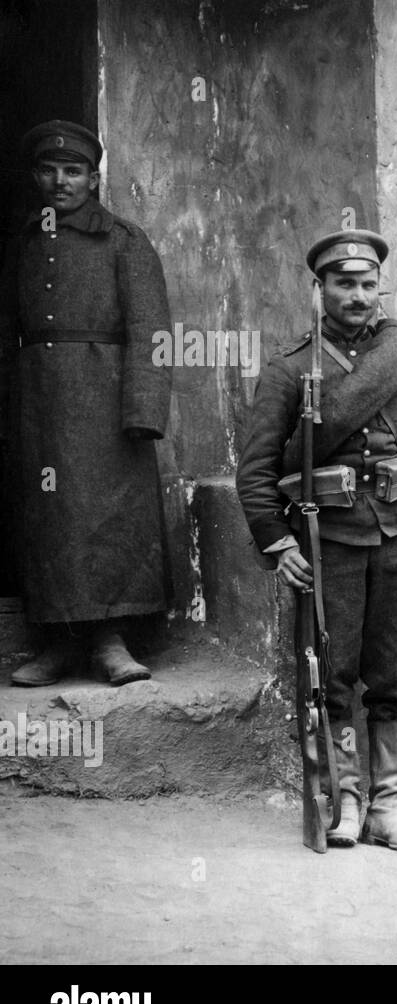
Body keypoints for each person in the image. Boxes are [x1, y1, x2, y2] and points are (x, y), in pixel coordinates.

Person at [236, 228, 397, 852]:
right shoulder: (289, 370)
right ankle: (348, 798)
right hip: (325, 538)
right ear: (321, 289)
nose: (357, 296)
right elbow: (254, 472)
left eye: (367, 285)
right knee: (330, 677)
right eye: (344, 284)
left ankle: (391, 805)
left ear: (378, 289)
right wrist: (280, 546)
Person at [0, 120, 171, 686]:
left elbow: (151, 330)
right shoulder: (21, 244)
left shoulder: (124, 239)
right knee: (49, 523)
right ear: (34, 177)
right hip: (39, 404)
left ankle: (110, 641)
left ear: (92, 179)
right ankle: (57, 644)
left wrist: (143, 410)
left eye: (72, 171)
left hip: (105, 403)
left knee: (108, 519)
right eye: (48, 170)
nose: (59, 181)